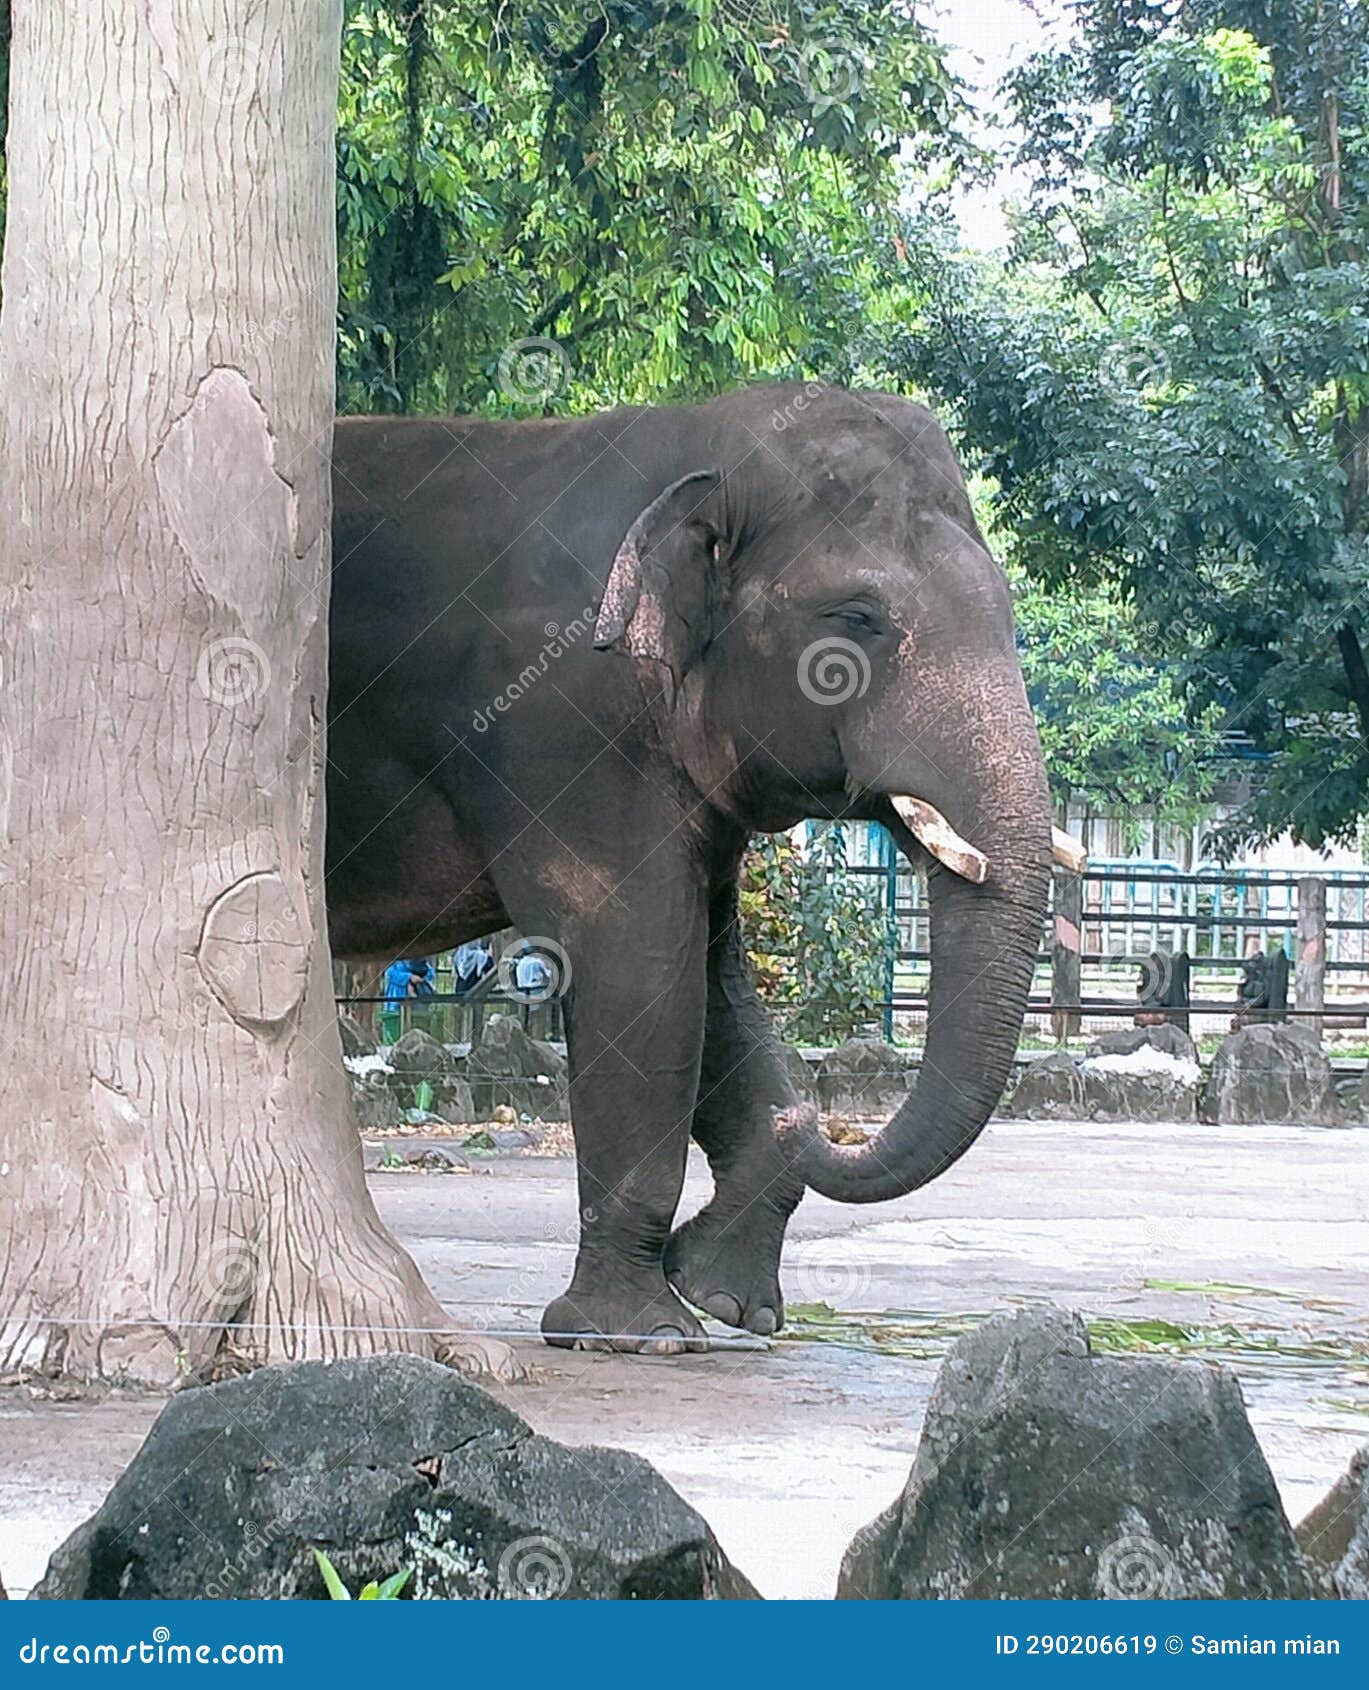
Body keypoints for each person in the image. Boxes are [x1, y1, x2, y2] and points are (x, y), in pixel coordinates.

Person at [379, 957, 435, 1043]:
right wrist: (409, 977)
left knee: (418, 1024)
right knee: (394, 1026)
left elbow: (430, 973)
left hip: (418, 997)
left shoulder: (421, 962)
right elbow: (389, 973)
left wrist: (419, 980)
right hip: (397, 997)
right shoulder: (397, 961)